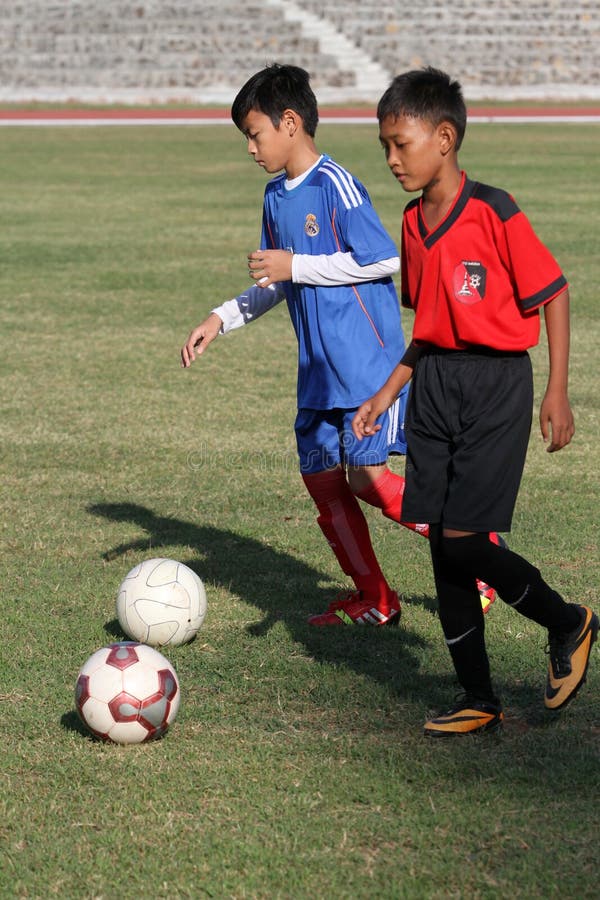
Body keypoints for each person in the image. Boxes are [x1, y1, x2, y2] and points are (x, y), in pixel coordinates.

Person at [181, 62, 499, 627]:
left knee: (368, 477)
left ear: (289, 122)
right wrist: (221, 317)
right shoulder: (275, 196)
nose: (250, 149)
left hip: (364, 365)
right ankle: (376, 598)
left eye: (254, 134)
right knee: (323, 479)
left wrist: (296, 263)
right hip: (319, 371)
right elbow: (277, 279)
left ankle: (482, 555)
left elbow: (382, 259)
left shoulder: (336, 184)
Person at [352, 66, 597, 735]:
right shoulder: (409, 223)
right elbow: (428, 330)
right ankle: (477, 699)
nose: (393, 158)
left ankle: (569, 622)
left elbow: (554, 292)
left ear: (446, 137)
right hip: (433, 390)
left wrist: (556, 390)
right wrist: (383, 395)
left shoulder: (495, 210)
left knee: (464, 539)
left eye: (401, 143)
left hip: (495, 388)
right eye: (385, 147)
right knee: (441, 541)